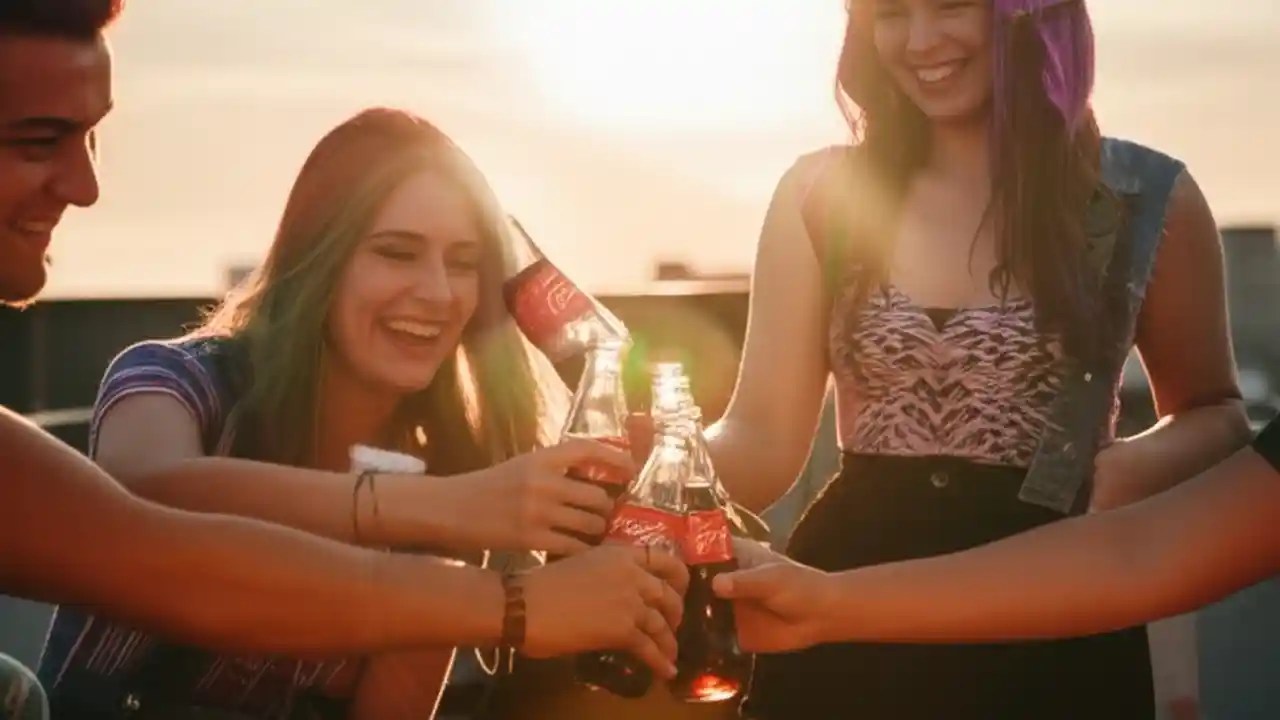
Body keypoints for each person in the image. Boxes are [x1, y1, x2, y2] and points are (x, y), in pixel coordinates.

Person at [0, 2, 686, 718]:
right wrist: (487, 551)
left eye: (465, 263)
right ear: (317, 260)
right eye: (394, 252)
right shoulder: (182, 383)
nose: (436, 292)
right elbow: (145, 507)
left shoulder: (452, 479)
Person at [699, 0, 1249, 717]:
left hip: (1059, 604)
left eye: (953, 6)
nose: (920, 40)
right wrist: (654, 460)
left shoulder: (1146, 196)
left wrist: (1124, 472)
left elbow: (1217, 415)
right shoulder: (820, 194)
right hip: (839, 604)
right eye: (891, 13)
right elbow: (764, 440)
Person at [714, 416, 1280, 649]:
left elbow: (1140, 553)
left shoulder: (1146, 196)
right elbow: (1139, 553)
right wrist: (823, 601)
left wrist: (827, 604)